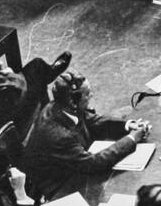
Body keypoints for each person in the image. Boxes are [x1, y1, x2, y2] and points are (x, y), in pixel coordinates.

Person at [22, 71, 150, 199]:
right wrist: (132, 139)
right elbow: (92, 164)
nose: (92, 95)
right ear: (73, 102)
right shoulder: (59, 135)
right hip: (58, 185)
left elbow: (91, 120)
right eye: (87, 94)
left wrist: (127, 125)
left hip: (70, 165)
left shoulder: (62, 106)